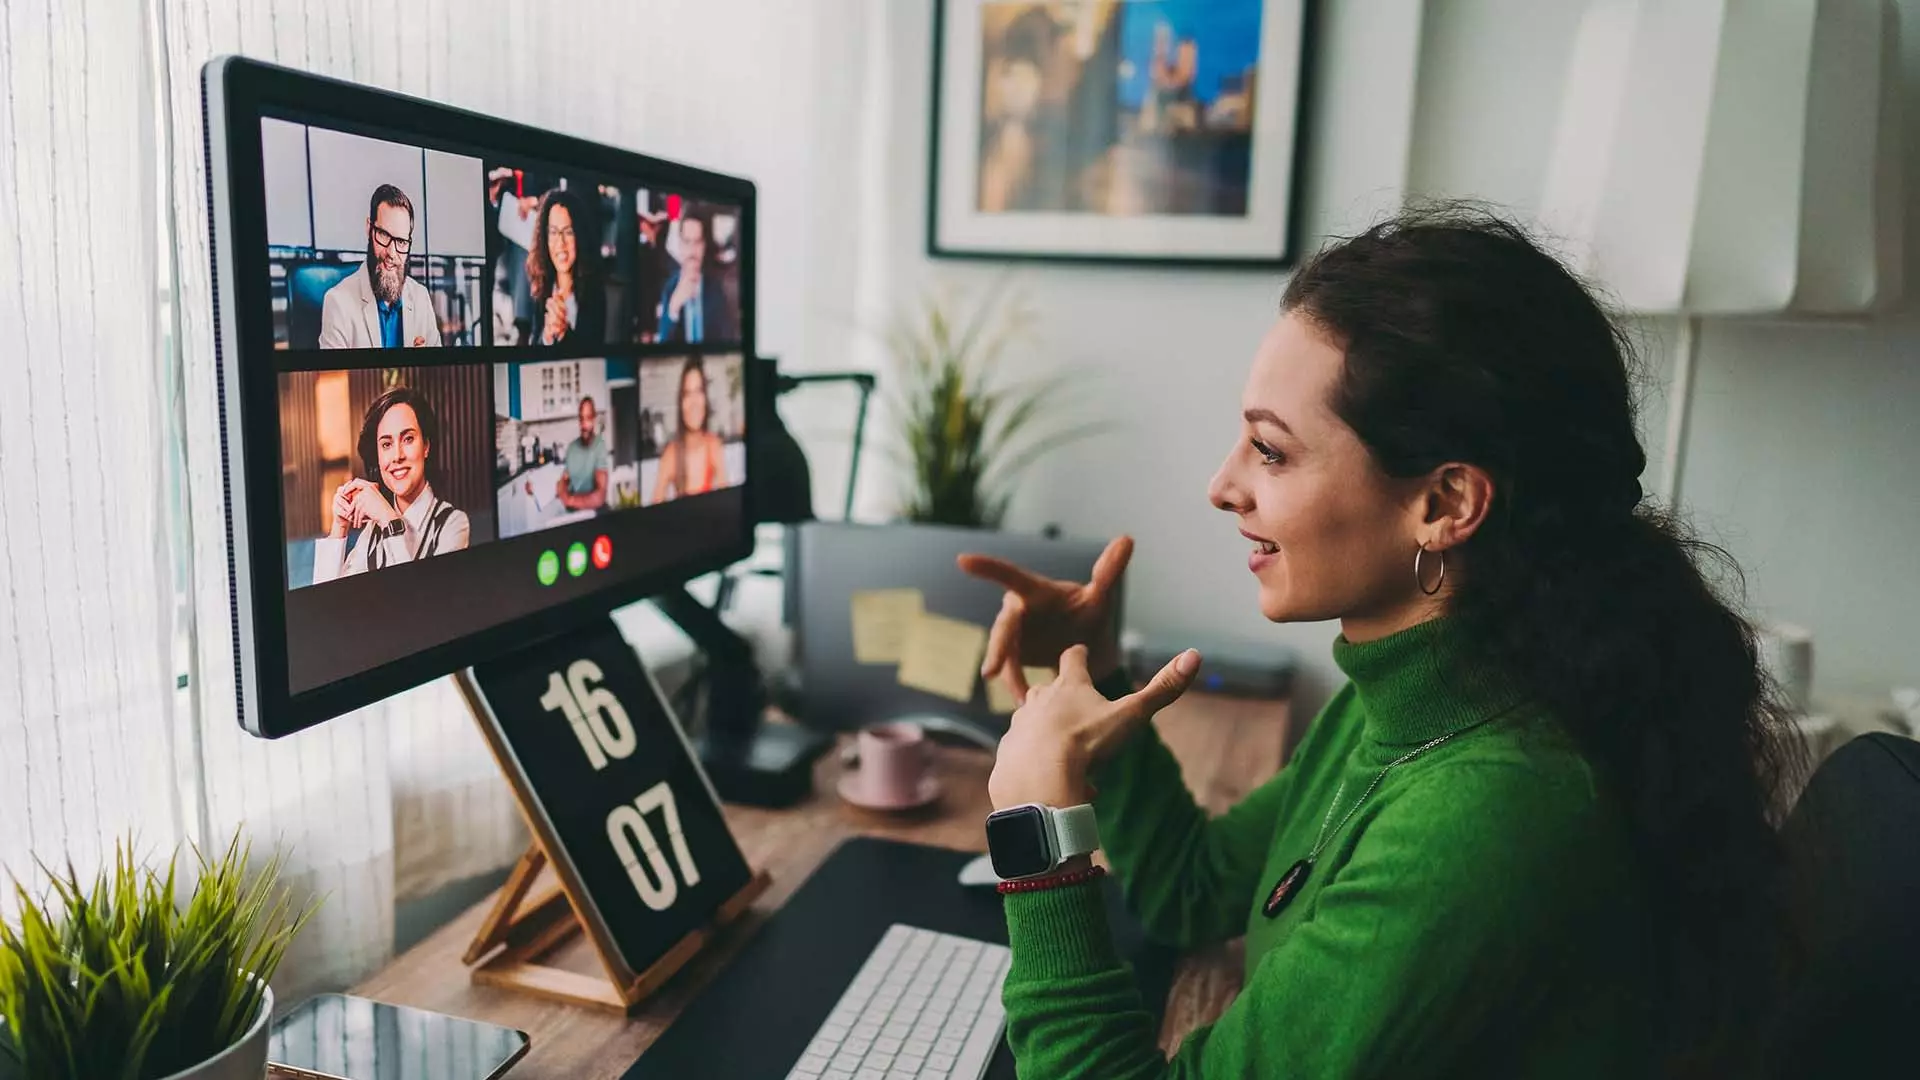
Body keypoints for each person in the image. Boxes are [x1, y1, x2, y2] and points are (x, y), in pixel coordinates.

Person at [962, 206, 1804, 1078]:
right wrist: (1099, 674)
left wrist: (1036, 832)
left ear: (1444, 505)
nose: (1223, 486)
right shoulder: (1422, 702)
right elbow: (1195, 889)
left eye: (1271, 452)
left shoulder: (1487, 819)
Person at [313, 387, 469, 582]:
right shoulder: (372, 533)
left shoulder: (452, 524)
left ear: (426, 446)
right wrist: (339, 527)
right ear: (378, 457)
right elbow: (328, 602)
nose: (397, 456)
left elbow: (421, 601)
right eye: (386, 444)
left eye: (408, 439)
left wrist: (389, 520)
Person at [318, 185, 442, 349]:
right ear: (369, 228)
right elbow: (333, 374)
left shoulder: (421, 298)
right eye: (383, 235)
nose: (391, 253)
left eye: (401, 242)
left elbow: (437, 371)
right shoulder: (338, 302)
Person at [526, 187, 606, 346]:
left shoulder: (596, 292)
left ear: (579, 235)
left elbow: (592, 356)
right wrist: (547, 337)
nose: (560, 244)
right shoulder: (539, 289)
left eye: (568, 232)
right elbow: (532, 350)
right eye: (554, 233)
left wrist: (563, 332)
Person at [650, 357, 729, 503]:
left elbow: (728, 504)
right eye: (687, 393)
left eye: (699, 391)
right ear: (681, 404)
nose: (694, 402)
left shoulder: (714, 445)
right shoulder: (671, 455)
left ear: (705, 398)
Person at [655, 211, 736, 344]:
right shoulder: (670, 288)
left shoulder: (718, 289)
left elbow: (727, 341)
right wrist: (674, 307)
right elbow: (662, 346)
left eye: (697, 242)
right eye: (687, 242)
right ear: (680, 245)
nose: (692, 251)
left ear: (704, 246)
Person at [528, 395, 608, 513]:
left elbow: (600, 496)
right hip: (572, 514)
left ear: (594, 418)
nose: (584, 424)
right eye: (581, 418)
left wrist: (569, 500)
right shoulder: (572, 448)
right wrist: (536, 487)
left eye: (588, 418)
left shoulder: (600, 446)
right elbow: (564, 480)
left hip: (594, 514)